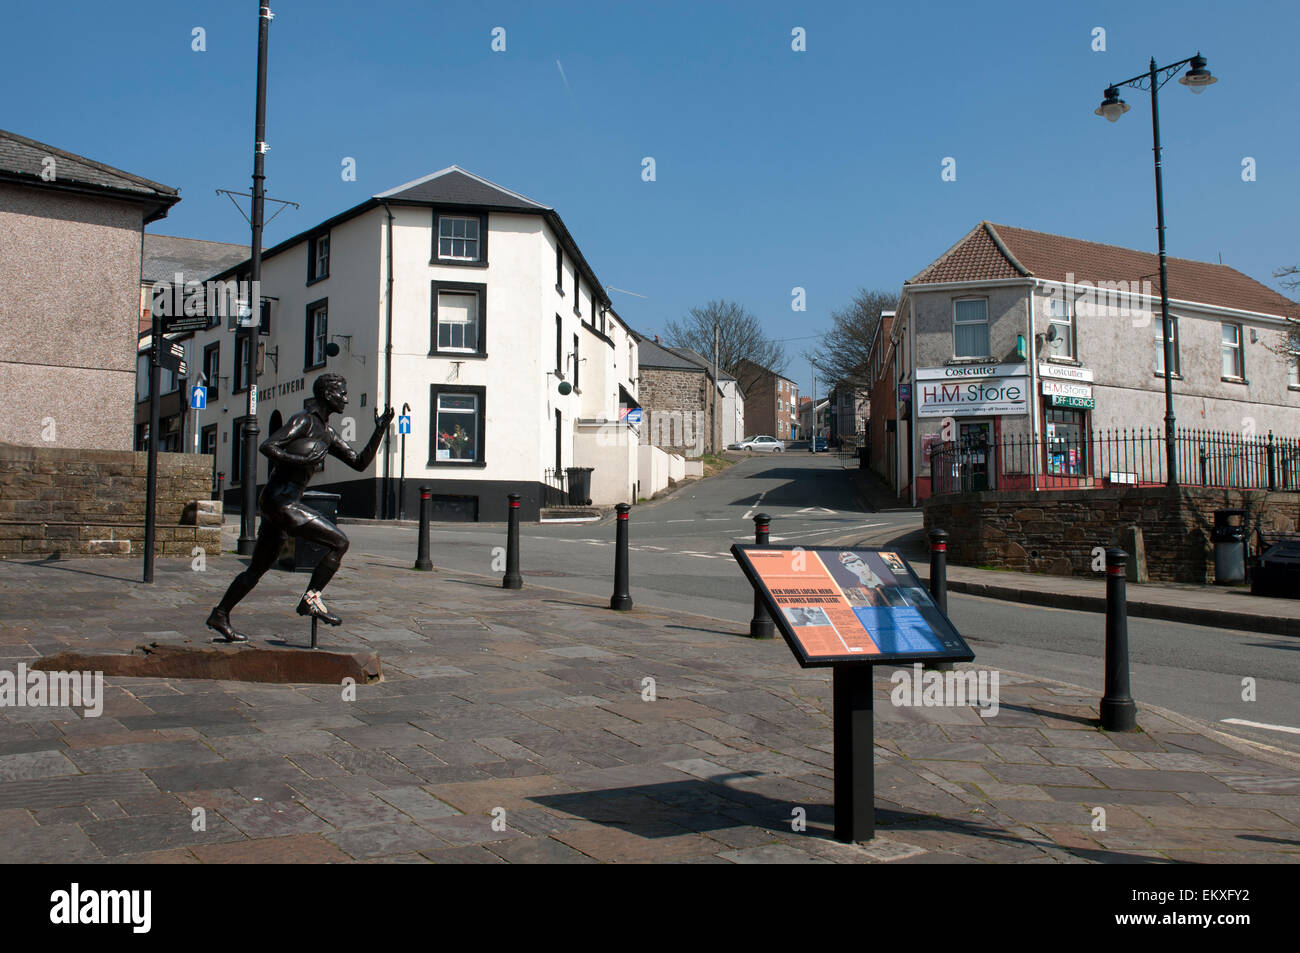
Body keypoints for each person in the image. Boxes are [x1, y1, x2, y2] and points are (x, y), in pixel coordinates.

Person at [205, 374, 393, 642]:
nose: (346, 399)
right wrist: (299, 459)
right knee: (339, 542)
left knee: (257, 569)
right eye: (342, 393)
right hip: (281, 502)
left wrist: (380, 430)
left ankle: (220, 614)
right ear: (327, 394)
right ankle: (311, 599)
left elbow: (359, 462)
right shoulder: (303, 420)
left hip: (280, 505)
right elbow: (267, 446)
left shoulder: (327, 433)